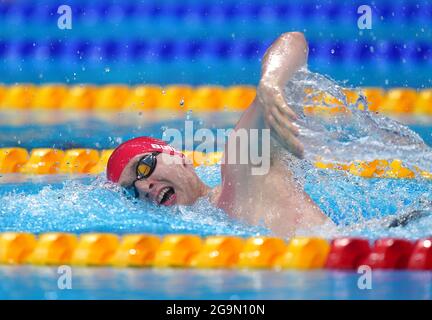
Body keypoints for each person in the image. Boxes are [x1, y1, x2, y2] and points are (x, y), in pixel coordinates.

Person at [106, 32, 332, 237]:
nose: (143, 188)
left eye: (143, 167)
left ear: (175, 154)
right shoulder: (198, 238)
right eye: (130, 191)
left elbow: (293, 41)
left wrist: (271, 82)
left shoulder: (243, 172)